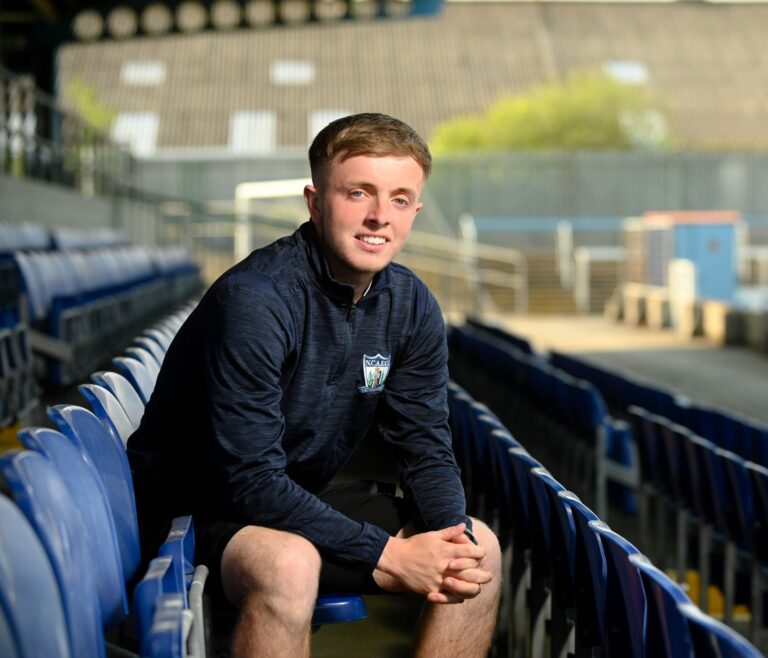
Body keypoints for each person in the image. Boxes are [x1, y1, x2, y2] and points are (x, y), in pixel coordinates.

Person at [127, 112, 501, 657]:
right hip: (195, 510)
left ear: (414, 212)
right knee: (289, 564)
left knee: (480, 551)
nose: (379, 217)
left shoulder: (411, 304)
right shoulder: (257, 300)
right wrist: (389, 555)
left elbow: (424, 446)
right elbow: (248, 482)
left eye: (399, 199)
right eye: (358, 193)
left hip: (292, 496)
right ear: (314, 200)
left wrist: (450, 540)